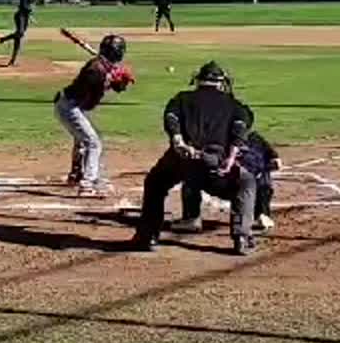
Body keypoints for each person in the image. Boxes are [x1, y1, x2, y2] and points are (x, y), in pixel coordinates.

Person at [132, 61, 265, 255]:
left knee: (155, 182)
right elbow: (240, 129)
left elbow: (171, 117)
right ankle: (242, 237)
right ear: (221, 83)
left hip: (181, 159)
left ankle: (147, 236)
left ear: (198, 81)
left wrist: (178, 142)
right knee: (246, 182)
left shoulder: (182, 98)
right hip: (214, 160)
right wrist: (231, 158)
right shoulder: (235, 106)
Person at [55, 34, 134, 197]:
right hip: (69, 107)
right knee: (93, 142)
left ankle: (76, 175)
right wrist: (113, 80)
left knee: (82, 140)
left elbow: (113, 86)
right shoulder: (95, 70)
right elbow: (92, 100)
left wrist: (115, 80)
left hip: (71, 105)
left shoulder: (101, 67)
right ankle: (87, 184)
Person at [0, 0, 35, 65]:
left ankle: (12, 60)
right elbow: (24, 6)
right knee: (20, 33)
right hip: (20, 16)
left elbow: (29, 8)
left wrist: (30, 16)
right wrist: (30, 10)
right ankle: (4, 39)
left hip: (25, 17)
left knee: (18, 37)